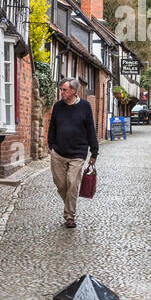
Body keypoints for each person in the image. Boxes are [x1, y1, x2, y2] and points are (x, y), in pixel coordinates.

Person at [48, 77, 99, 228]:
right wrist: (51, 146)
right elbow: (52, 127)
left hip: (78, 153)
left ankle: (70, 216)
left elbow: (91, 129)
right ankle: (69, 207)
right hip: (58, 152)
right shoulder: (58, 106)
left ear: (74, 91)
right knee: (61, 184)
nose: (61, 92)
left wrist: (94, 152)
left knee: (72, 183)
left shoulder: (84, 106)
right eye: (61, 89)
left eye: (64, 90)